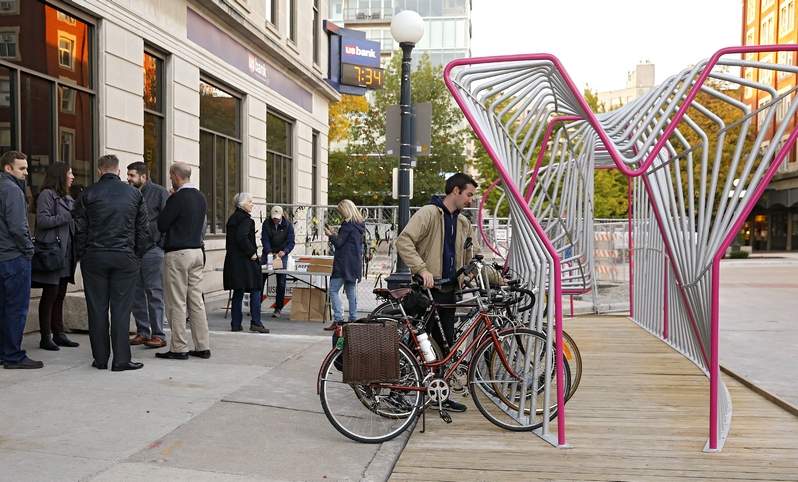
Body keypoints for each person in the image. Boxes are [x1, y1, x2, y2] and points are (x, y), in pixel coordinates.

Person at [395, 172, 478, 413]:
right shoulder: (429, 213)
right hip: (428, 292)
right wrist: (422, 269)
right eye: (469, 194)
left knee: (445, 346)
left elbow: (472, 254)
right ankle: (397, 393)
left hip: (449, 292)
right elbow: (404, 241)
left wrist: (477, 275)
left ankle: (440, 394)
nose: (471, 200)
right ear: (456, 191)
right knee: (417, 345)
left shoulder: (463, 222)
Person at [73, 154, 151, 372]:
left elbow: (79, 229)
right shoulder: (133, 193)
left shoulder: (88, 193)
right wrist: (136, 255)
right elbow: (143, 229)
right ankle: (121, 359)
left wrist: (82, 254)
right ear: (118, 171)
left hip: (94, 256)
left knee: (96, 309)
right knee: (121, 309)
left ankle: (100, 359)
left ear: (100, 171)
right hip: (124, 257)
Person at [156, 162, 211, 360]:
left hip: (178, 253)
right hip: (197, 251)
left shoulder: (177, 198)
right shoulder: (200, 197)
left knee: (176, 302)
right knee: (196, 301)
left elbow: (162, 224)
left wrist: (171, 201)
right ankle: (202, 345)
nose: (170, 179)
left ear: (175, 175)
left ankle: (179, 347)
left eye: (171, 176)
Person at [0, 151, 42, 369]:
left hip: (4, 256)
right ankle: (13, 356)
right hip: (13, 257)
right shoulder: (12, 190)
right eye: (22, 168)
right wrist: (29, 249)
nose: (26, 173)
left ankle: (4, 353)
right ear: (8, 168)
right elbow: (17, 226)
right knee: (16, 309)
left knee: (3, 308)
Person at [32, 162, 80, 351]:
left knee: (60, 295)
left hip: (66, 254)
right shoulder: (47, 195)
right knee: (50, 295)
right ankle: (46, 337)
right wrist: (69, 216)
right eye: (70, 173)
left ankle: (59, 334)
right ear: (60, 175)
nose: (73, 177)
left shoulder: (67, 197)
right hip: (51, 253)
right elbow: (43, 220)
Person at [126, 161, 169, 349]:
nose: (128, 178)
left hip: (153, 250)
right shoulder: (128, 193)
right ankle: (143, 332)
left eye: (132, 175)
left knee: (154, 292)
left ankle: (158, 334)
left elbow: (168, 220)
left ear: (143, 177)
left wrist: (161, 244)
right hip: (134, 251)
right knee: (136, 293)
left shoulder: (159, 192)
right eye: (128, 175)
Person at [223, 193, 269, 334]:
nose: (252, 204)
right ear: (242, 204)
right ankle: (256, 322)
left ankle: (236, 323)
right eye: (249, 202)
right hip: (246, 261)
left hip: (234, 261)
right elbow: (242, 237)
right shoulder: (246, 220)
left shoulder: (232, 219)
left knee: (238, 291)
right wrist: (252, 253)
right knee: (256, 288)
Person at [323, 199, 365, 330]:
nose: (341, 214)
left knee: (333, 290)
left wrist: (330, 235)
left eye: (341, 211)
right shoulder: (358, 225)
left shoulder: (347, 226)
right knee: (351, 292)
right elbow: (347, 242)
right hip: (354, 263)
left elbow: (339, 243)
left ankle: (338, 319)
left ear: (346, 210)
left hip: (343, 264)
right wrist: (335, 234)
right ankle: (353, 318)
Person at [261, 205, 294, 318]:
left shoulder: (288, 225)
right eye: (273, 217)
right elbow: (264, 239)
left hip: (281, 254)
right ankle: (256, 306)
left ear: (282, 216)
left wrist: (285, 251)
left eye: (277, 218)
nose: (275, 219)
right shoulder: (266, 224)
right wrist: (269, 251)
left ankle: (278, 308)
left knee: (281, 281)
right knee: (261, 278)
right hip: (268, 253)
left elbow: (291, 242)